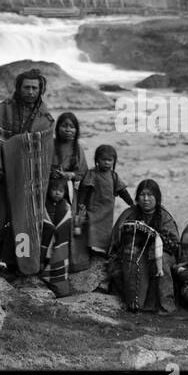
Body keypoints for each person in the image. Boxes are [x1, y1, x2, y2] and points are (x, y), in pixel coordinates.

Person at [0, 68, 56, 280]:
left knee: (24, 221)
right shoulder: (4, 109)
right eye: (26, 87)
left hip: (28, 179)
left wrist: (15, 146)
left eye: (34, 88)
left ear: (40, 89)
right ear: (18, 88)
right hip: (0, 172)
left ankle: (19, 263)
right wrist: (10, 151)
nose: (30, 91)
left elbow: (43, 148)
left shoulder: (45, 118)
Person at [105, 179, 179, 314]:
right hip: (133, 253)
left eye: (150, 195)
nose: (146, 199)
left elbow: (174, 243)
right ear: (137, 197)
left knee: (160, 262)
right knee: (126, 259)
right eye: (142, 195)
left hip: (159, 254)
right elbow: (116, 239)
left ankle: (165, 305)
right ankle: (134, 302)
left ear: (157, 197)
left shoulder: (164, 216)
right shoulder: (129, 214)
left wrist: (155, 239)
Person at [51, 112, 93, 272]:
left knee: (70, 223)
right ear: (58, 127)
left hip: (68, 191)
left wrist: (70, 175)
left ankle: (71, 263)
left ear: (76, 130)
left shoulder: (78, 148)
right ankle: (50, 262)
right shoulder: (51, 145)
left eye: (72, 126)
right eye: (64, 125)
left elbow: (82, 171)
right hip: (51, 190)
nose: (68, 130)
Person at [83, 144, 134, 256]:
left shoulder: (113, 176)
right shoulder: (92, 174)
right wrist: (81, 204)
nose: (106, 163)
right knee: (91, 229)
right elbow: (85, 189)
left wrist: (131, 203)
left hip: (107, 210)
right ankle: (89, 250)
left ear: (114, 161)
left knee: (106, 231)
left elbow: (122, 191)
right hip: (94, 208)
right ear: (97, 160)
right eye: (103, 159)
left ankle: (107, 251)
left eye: (110, 160)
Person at [39, 174, 75, 297]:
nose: (57, 193)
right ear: (48, 190)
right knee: (42, 262)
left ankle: (59, 289)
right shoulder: (42, 205)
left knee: (58, 262)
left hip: (59, 242)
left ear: (65, 193)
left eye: (61, 191)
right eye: (54, 190)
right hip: (45, 239)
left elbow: (67, 222)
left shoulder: (66, 206)